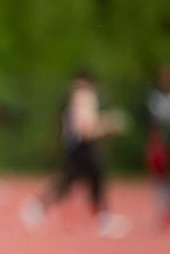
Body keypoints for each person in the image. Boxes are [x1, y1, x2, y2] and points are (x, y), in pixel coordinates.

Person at [20, 72, 128, 238]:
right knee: (77, 182)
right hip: (82, 148)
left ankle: (102, 218)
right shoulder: (82, 98)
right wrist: (109, 124)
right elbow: (86, 130)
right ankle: (37, 208)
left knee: (86, 182)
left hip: (79, 148)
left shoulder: (75, 100)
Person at [145, 65, 170, 229]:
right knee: (160, 178)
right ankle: (162, 211)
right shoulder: (155, 98)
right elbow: (154, 124)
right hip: (162, 142)